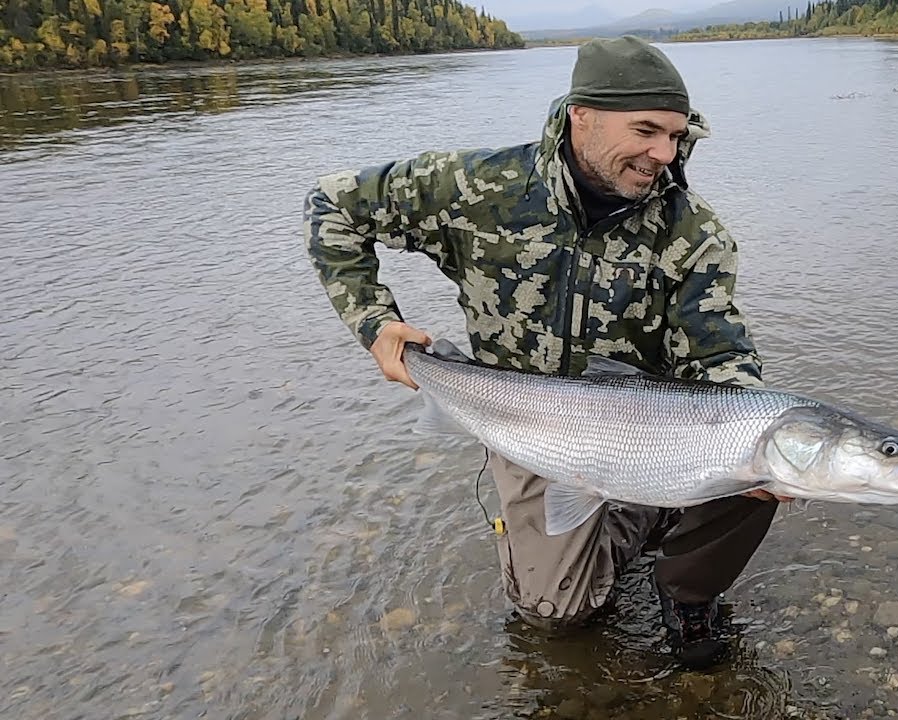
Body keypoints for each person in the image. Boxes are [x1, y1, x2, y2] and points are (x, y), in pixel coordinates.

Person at [303, 35, 789, 670]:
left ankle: (687, 588)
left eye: (676, 135)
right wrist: (375, 322)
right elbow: (335, 204)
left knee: (761, 449)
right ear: (580, 113)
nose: (663, 154)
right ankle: (642, 511)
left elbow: (721, 351)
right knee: (556, 614)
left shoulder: (693, 233)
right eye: (646, 131)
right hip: (520, 416)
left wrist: (753, 429)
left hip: (647, 419)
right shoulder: (474, 189)